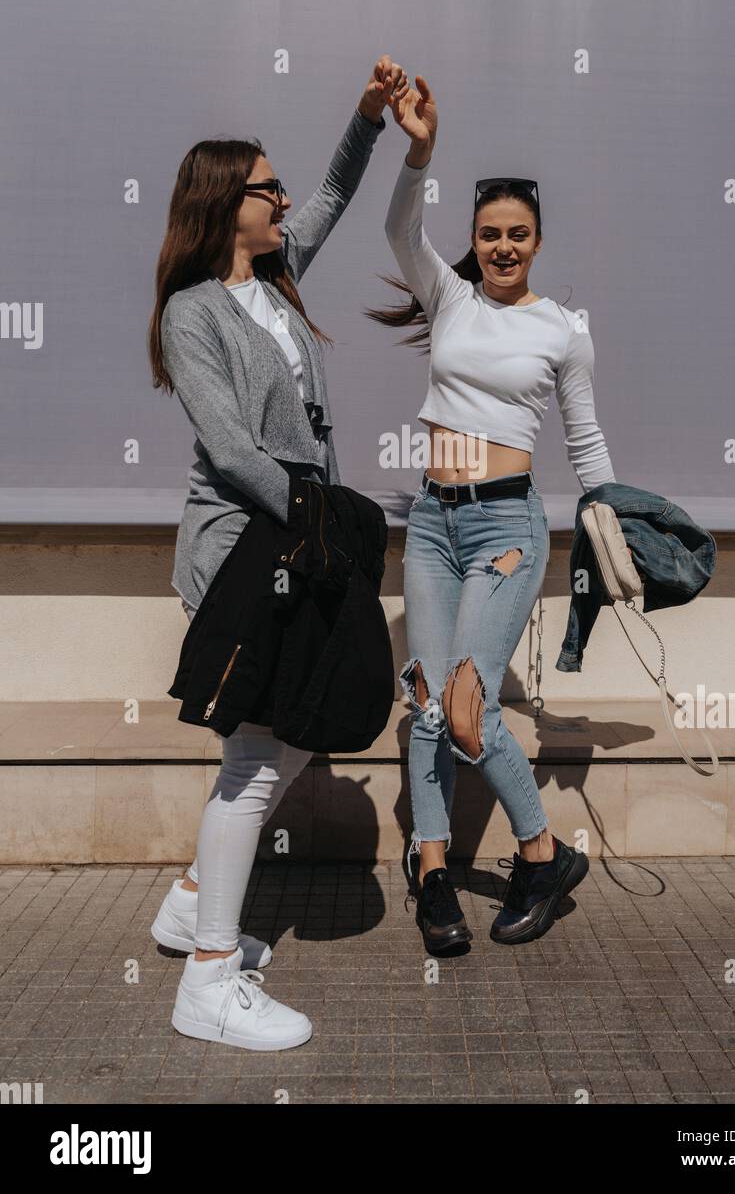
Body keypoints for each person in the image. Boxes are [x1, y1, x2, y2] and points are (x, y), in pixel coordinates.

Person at [146, 56, 408, 1048]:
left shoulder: (277, 274)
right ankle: (208, 980)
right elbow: (227, 445)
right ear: (227, 202)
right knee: (259, 761)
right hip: (243, 546)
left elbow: (335, 190)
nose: (286, 199)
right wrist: (318, 517)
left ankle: (188, 908)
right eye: (267, 186)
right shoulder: (193, 310)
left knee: (279, 745)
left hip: (293, 535)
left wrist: (368, 114)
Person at [370, 73, 616, 952]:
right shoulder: (452, 298)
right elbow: (399, 229)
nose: (502, 247)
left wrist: (608, 528)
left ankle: (542, 855)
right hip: (435, 525)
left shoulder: (563, 329)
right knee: (430, 708)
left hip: (508, 529)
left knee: (473, 713)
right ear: (473, 241)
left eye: (517, 235)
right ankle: (433, 873)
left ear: (539, 242)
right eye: (488, 235)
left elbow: (586, 445)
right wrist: (419, 152)